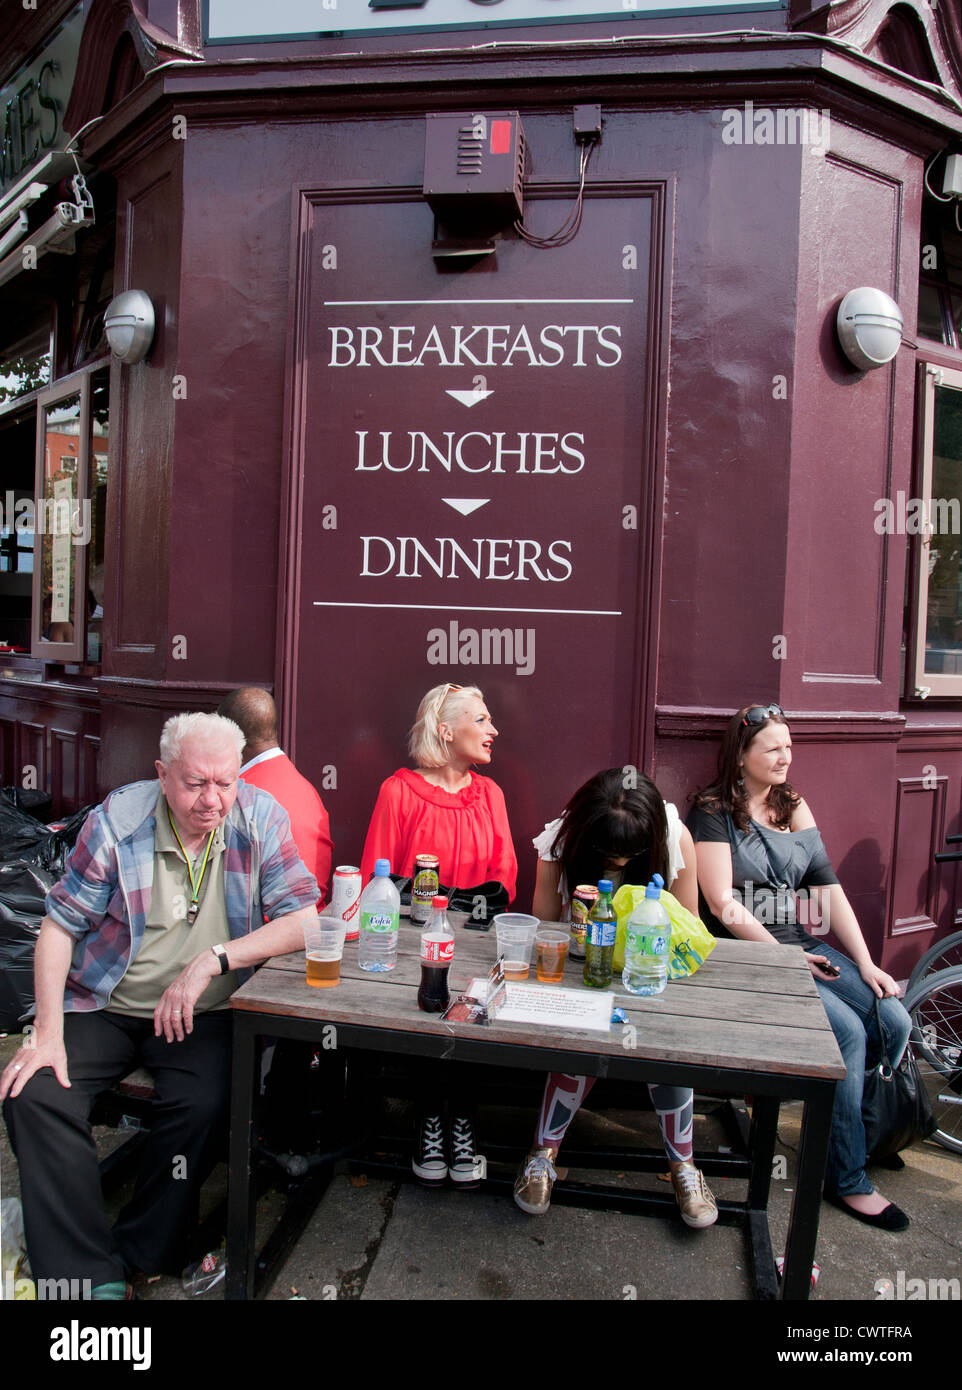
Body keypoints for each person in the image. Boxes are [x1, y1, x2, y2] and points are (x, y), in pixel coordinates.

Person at [0, 712, 320, 1297]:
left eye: (225, 783)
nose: (212, 800)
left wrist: (211, 961)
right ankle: (85, 1274)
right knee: (34, 1092)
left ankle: (143, 1248)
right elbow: (60, 926)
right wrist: (46, 1032)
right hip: (107, 1000)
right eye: (196, 783)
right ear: (162, 774)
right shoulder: (119, 820)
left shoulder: (259, 816)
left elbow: (304, 921)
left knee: (199, 1103)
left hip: (208, 1011)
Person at [689, 702, 912, 1231]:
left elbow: (827, 889)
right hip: (749, 952)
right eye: (772, 747)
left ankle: (858, 1132)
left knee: (893, 1018)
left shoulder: (792, 805)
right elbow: (721, 902)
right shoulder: (712, 810)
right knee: (848, 1035)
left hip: (800, 940)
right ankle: (845, 1177)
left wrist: (867, 963)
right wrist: (783, 957)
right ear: (741, 755)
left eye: (789, 746)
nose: (786, 756)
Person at [514, 768, 718, 1228]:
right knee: (582, 1027)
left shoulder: (673, 838)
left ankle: (683, 1166)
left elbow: (689, 924)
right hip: (584, 967)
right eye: (608, 852)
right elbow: (544, 925)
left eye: (632, 852)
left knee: (665, 1039)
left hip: (652, 969)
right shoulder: (560, 840)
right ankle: (543, 1154)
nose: (620, 861)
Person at [360, 682, 518, 1188]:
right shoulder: (399, 791)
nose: (493, 730)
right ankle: (429, 1120)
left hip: (474, 941)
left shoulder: (490, 794)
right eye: (482, 720)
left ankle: (464, 1122)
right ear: (447, 731)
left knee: (470, 1018)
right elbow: (375, 877)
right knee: (427, 1012)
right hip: (413, 946)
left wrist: (470, 907)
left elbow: (505, 877)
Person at [218, 686, 333, 904]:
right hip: (308, 922)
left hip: (267, 927)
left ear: (229, 735)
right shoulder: (306, 789)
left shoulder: (239, 793)